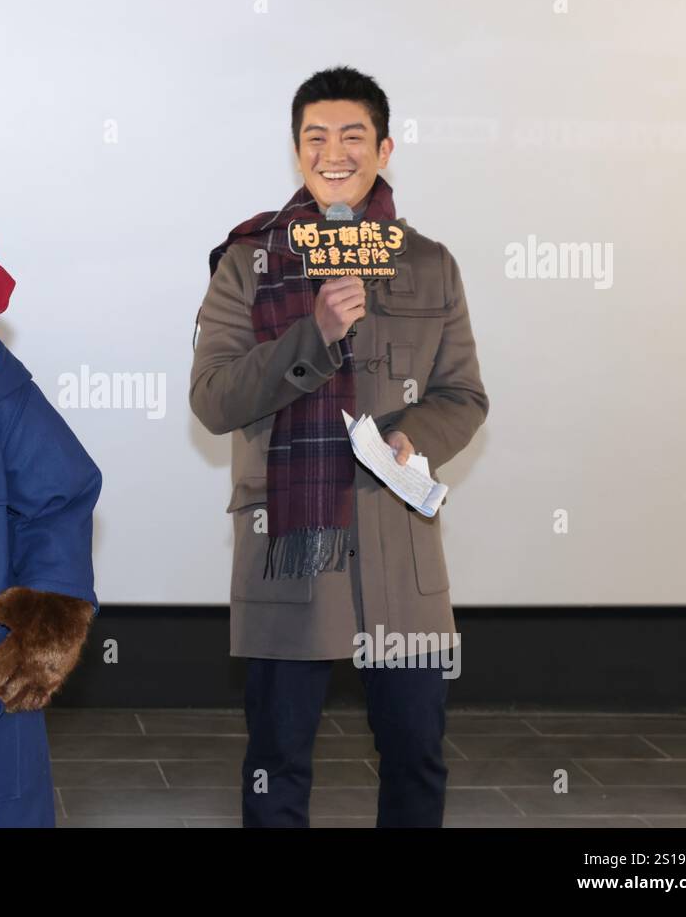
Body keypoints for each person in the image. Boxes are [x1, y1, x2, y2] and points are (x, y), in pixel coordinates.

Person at [189, 66, 489, 827]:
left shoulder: (429, 264)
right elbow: (214, 398)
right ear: (296, 152)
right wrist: (314, 335)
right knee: (278, 761)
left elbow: (465, 395)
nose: (334, 151)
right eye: (315, 137)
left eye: (353, 135)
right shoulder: (247, 262)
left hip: (400, 547)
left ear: (383, 149)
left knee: (417, 753)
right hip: (290, 546)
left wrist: (410, 437)